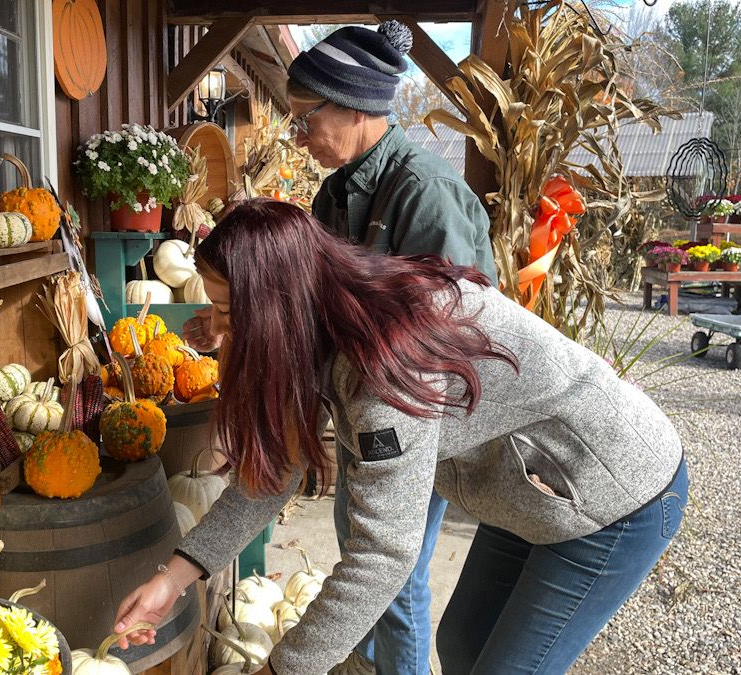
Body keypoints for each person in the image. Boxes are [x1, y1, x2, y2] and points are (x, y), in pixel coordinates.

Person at [114, 200, 688, 675]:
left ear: (275, 308)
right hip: (532, 491)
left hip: (612, 497)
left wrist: (280, 670)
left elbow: (383, 555)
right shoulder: (322, 319)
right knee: (463, 645)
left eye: (226, 311)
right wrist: (176, 577)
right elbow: (278, 469)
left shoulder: (384, 367)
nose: (215, 330)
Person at [183, 21, 495, 673]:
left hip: (418, 416)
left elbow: (454, 335)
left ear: (353, 107)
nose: (298, 136)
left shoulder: (424, 193)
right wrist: (237, 322)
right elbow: (307, 309)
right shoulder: (334, 193)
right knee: (369, 557)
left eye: (304, 120)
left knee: (392, 573)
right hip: (365, 408)